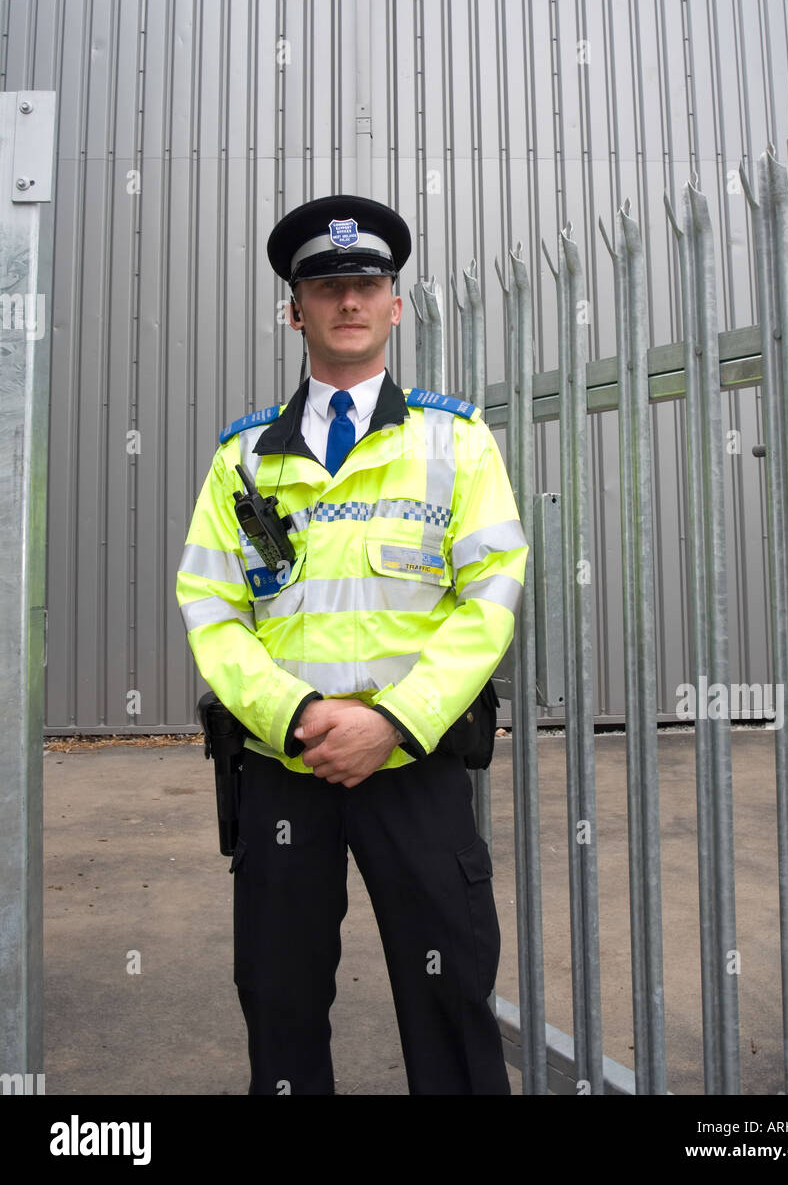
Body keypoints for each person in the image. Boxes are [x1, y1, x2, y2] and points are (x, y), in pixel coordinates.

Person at [176, 195, 528, 1095]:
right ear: (295, 308)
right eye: (325, 286)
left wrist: (394, 721)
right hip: (285, 767)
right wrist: (296, 714)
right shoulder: (245, 458)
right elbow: (211, 609)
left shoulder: (455, 443)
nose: (347, 301)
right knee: (280, 1001)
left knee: (450, 996)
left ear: (396, 305)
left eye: (367, 283)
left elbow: (490, 598)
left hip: (413, 765)